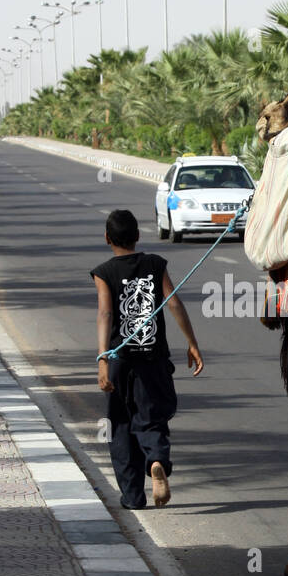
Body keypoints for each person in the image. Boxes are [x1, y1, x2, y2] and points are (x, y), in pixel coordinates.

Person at [92, 209, 203, 509]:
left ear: (107, 238)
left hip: (119, 360)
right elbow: (174, 303)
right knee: (152, 416)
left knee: (120, 424)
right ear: (138, 236)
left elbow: (105, 313)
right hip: (152, 359)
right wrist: (191, 342)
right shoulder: (155, 263)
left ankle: (132, 496)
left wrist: (103, 358)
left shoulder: (104, 272)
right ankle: (156, 459)